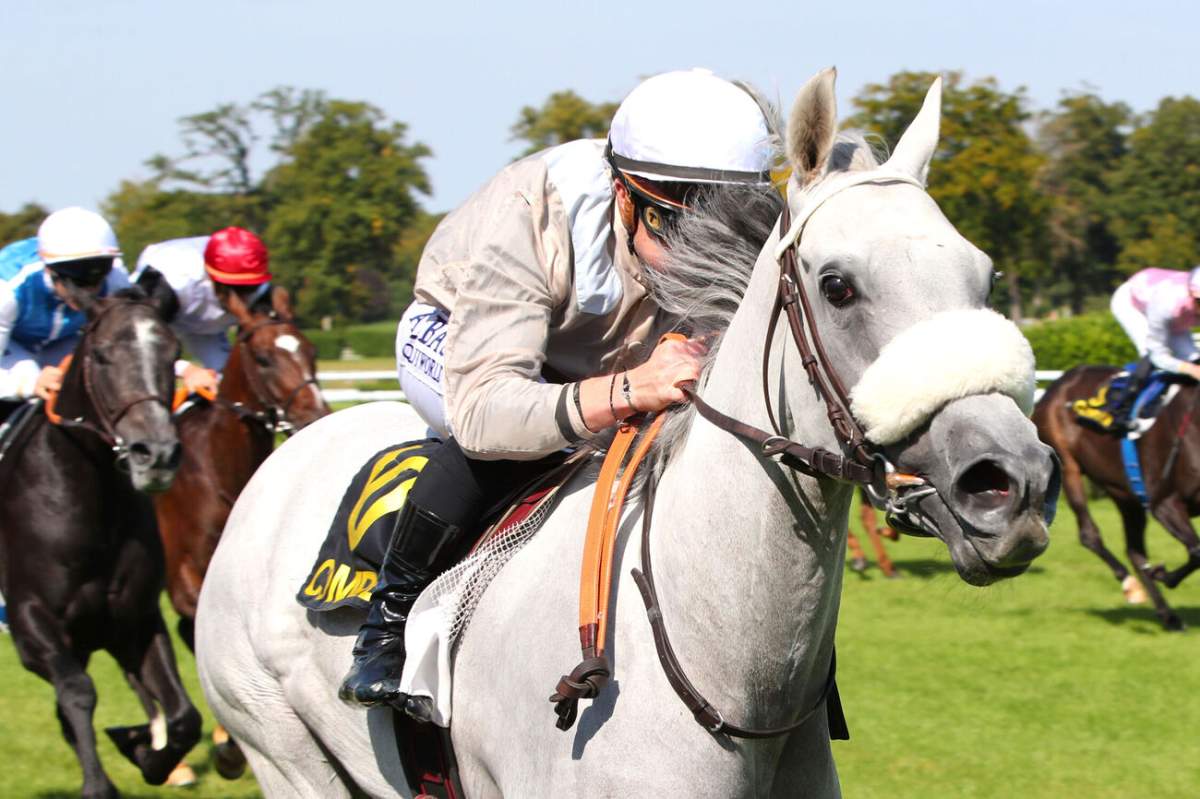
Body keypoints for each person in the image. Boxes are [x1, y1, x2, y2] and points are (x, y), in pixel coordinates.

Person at [340, 68, 778, 710]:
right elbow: (488, 413)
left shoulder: (700, 206)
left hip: (597, 352)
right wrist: (631, 386)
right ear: (624, 196)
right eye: (677, 228)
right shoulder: (537, 208)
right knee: (517, 444)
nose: (700, 256)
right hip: (462, 345)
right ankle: (386, 628)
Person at [0, 207, 130, 402]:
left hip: (64, 340)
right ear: (52, 272)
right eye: (78, 283)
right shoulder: (8, 289)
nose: (90, 292)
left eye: (97, 280)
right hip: (10, 346)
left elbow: (133, 346)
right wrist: (29, 385)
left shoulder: (116, 280)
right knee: (29, 377)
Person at [131, 228, 274, 395]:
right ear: (209, 275)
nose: (243, 298)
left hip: (209, 329)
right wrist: (187, 371)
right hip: (163, 314)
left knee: (236, 386)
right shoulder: (170, 282)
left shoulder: (262, 290)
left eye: (249, 288)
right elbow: (136, 344)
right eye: (235, 288)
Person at [1105, 266, 1200, 428]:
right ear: (1193, 295)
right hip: (1133, 305)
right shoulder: (1167, 303)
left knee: (1193, 357)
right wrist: (1191, 370)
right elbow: (1158, 355)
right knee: (1149, 354)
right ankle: (1122, 408)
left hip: (1176, 312)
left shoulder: (1192, 299)